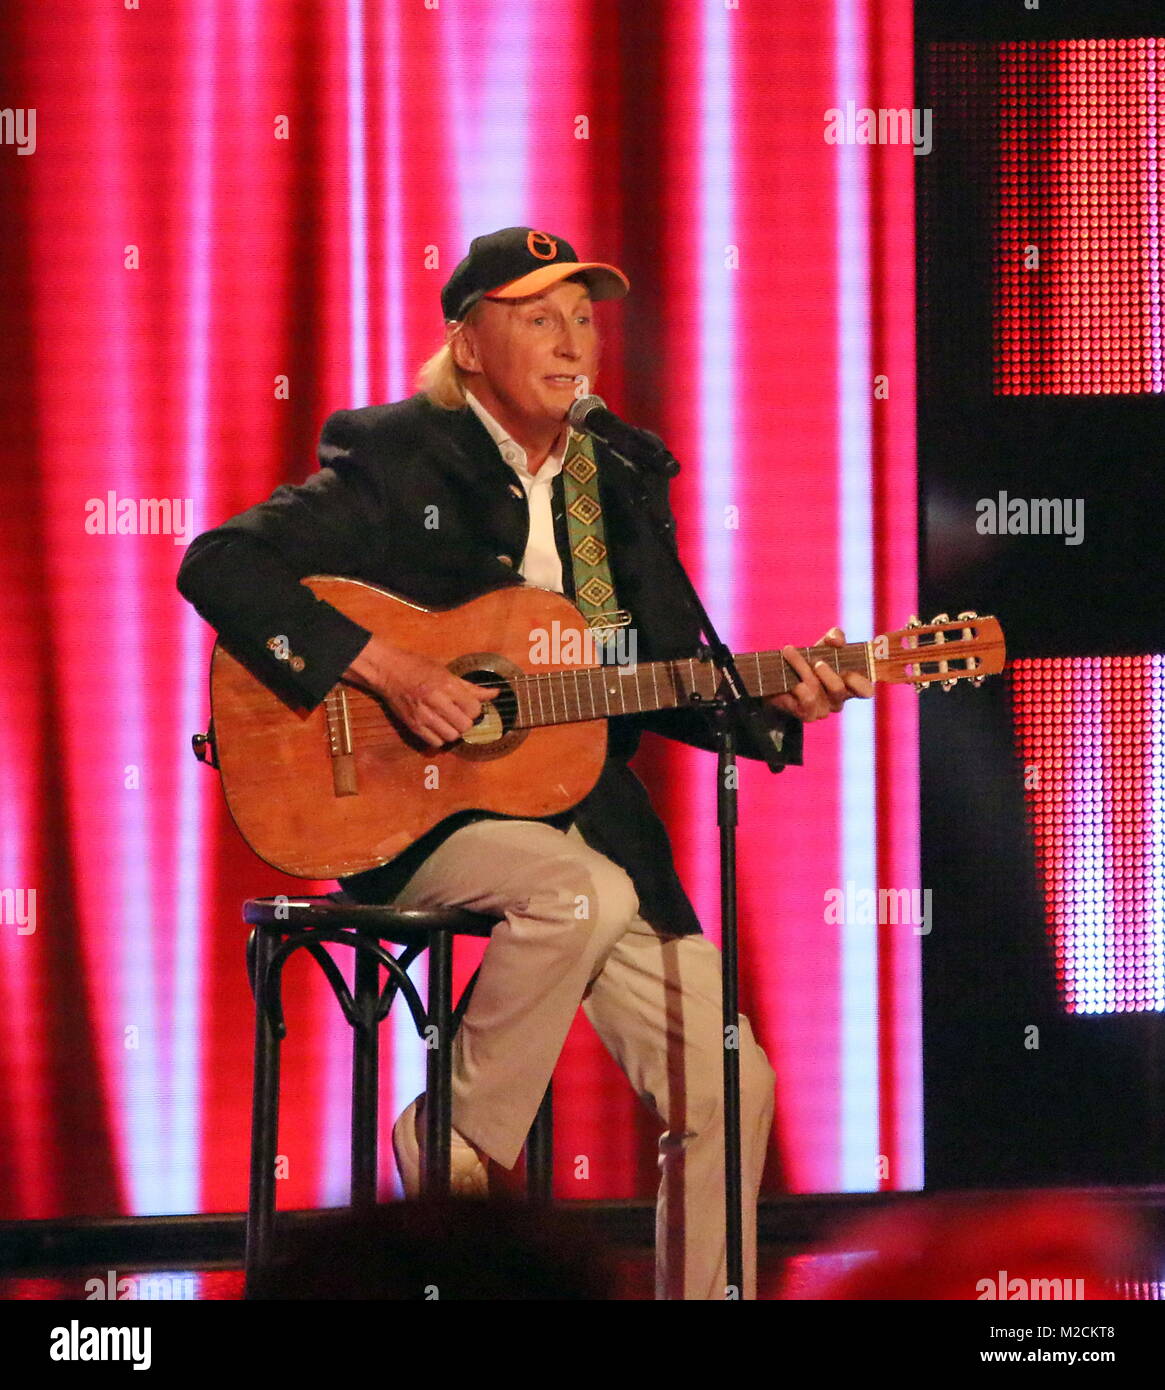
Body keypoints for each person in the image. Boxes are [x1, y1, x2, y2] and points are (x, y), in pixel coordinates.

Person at [177, 226, 875, 1299]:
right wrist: (391, 670)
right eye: (538, 315)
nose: (571, 340)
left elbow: (654, 670)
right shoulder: (392, 452)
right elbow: (218, 564)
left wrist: (778, 697)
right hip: (405, 813)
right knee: (573, 892)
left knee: (731, 1086)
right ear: (467, 343)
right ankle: (448, 1142)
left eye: (583, 316)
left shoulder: (621, 475)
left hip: (589, 817)